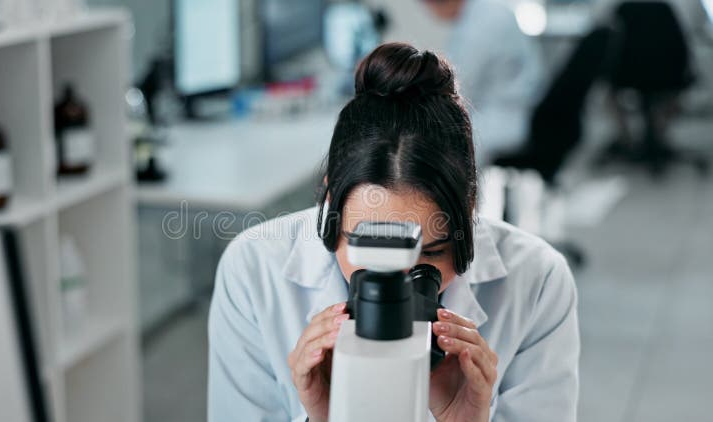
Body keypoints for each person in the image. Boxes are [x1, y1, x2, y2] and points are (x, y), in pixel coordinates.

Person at [207, 43, 579, 421]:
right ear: (330, 204)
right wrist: (321, 415)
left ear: (470, 212)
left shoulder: (538, 281)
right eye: (370, 251)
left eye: (430, 256)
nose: (396, 284)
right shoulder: (253, 268)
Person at [422, 0, 544, 165]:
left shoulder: (481, 25)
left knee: (439, 148)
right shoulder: (483, 12)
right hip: (503, 110)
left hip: (502, 121)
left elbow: (457, 87)